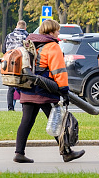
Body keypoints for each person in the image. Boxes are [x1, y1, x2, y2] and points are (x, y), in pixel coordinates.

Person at [14, 19, 85, 163]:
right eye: (57, 30)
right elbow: (59, 71)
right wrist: (64, 90)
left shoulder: (32, 43)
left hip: (28, 89)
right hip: (45, 90)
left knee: (26, 122)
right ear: (51, 32)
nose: (59, 33)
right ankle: (67, 153)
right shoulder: (52, 46)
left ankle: (19, 153)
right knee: (57, 121)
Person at [4, 21, 29, 111]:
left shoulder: (9, 35)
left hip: (10, 63)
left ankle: (10, 108)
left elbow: (4, 49)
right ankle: (24, 108)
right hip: (21, 63)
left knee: (11, 86)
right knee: (23, 86)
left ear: (16, 26)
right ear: (25, 28)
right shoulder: (27, 36)